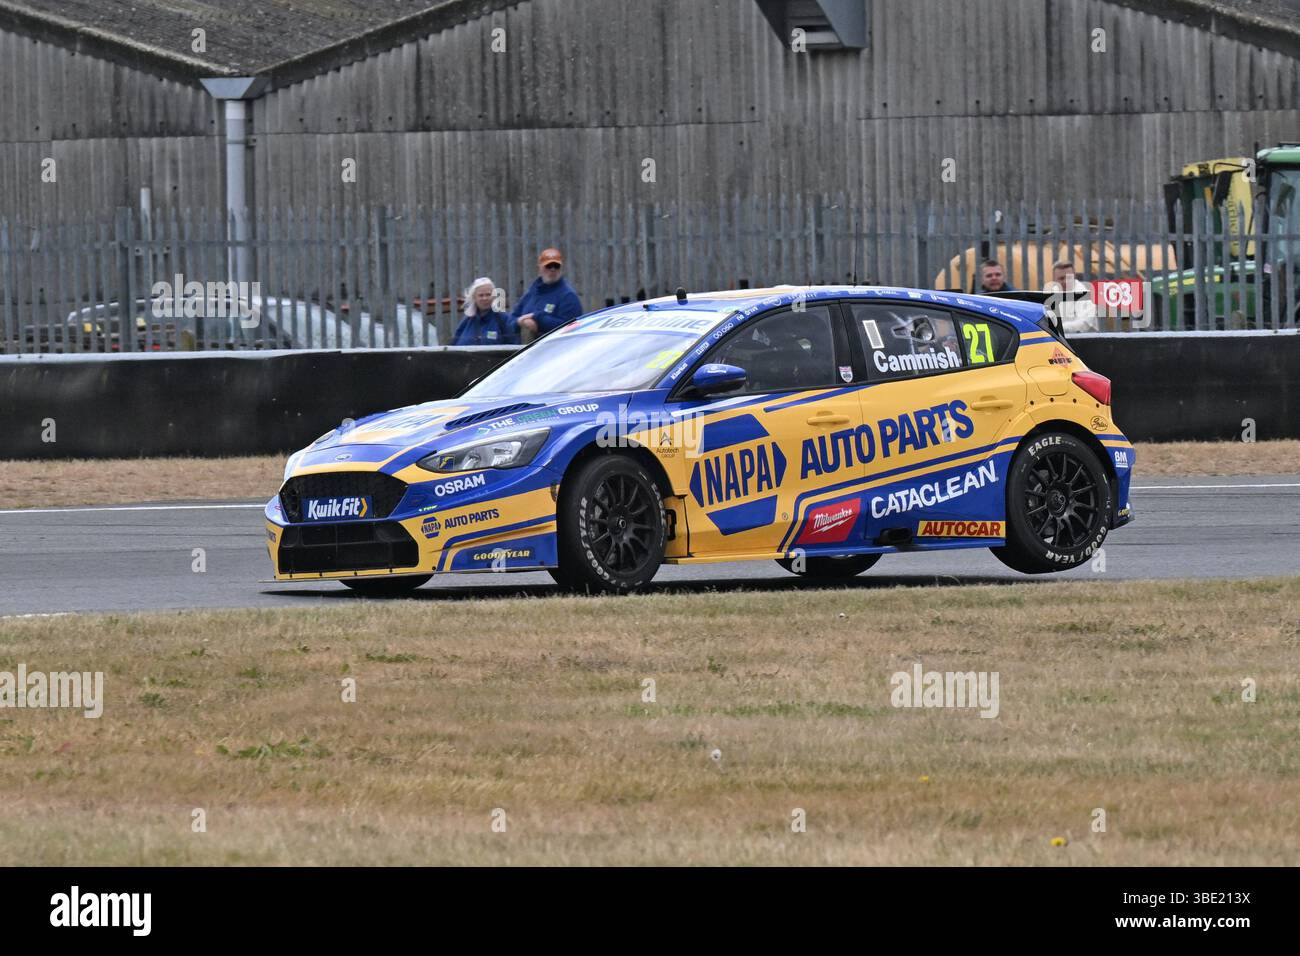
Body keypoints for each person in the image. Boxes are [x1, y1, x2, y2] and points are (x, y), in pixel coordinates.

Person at [512, 247, 583, 340]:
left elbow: (570, 327)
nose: (552, 269)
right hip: (527, 350)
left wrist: (536, 318)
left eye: (556, 266)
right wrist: (520, 322)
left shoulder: (568, 296)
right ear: (540, 268)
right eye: (548, 266)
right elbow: (511, 320)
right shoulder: (531, 293)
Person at [452, 277, 517, 345]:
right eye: (481, 295)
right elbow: (454, 346)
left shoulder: (503, 320)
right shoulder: (467, 321)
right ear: (474, 297)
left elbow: (513, 345)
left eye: (488, 294)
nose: (484, 298)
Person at [1045, 260, 1098, 333]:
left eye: (1068, 278)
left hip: (1083, 340)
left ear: (1074, 276)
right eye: (1061, 278)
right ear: (1054, 279)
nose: (1065, 281)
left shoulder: (1084, 293)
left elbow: (1085, 323)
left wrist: (1058, 328)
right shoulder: (1052, 293)